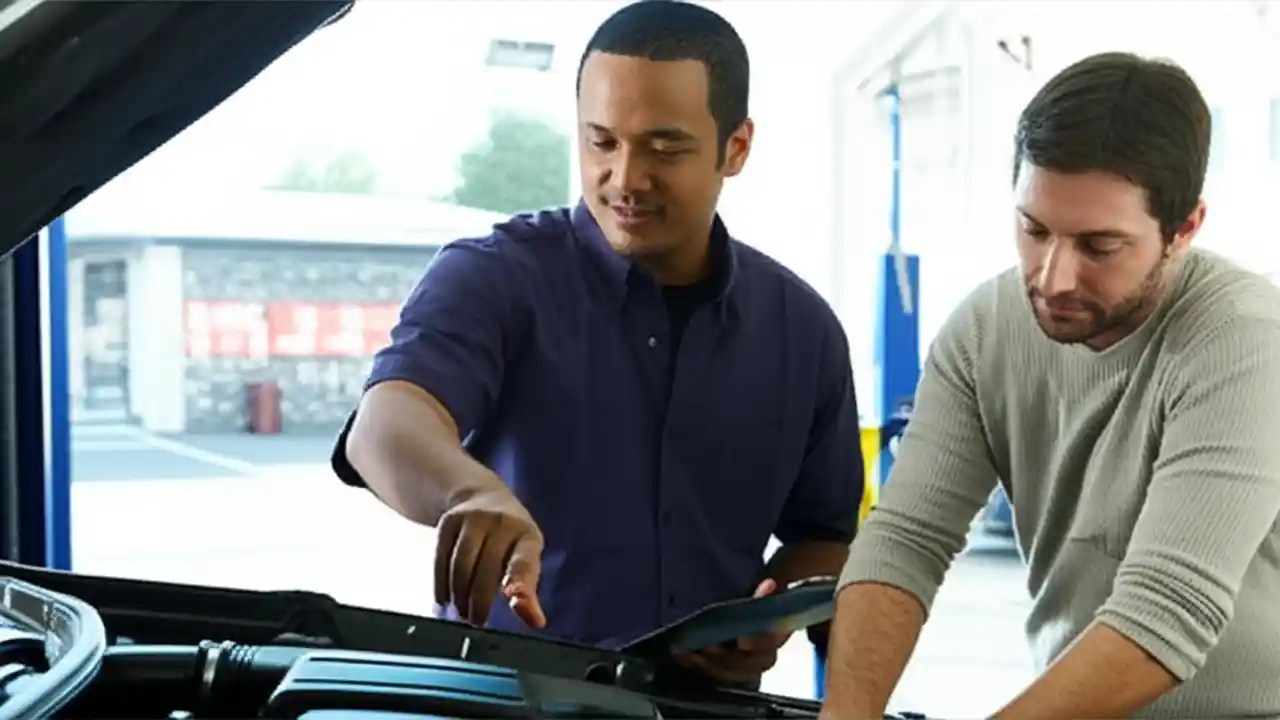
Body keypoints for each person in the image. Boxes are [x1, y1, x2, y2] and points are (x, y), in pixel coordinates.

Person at [332, 0, 863, 685]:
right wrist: (468, 494)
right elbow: (383, 427)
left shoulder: (804, 330)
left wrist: (772, 616)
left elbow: (823, 536)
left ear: (737, 147)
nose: (625, 178)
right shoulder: (494, 277)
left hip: (702, 708)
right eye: (601, 141)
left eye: (664, 148)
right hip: (501, 701)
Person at [822, 51, 1280, 719]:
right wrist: (847, 715)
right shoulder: (983, 330)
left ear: (1184, 229)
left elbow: (1169, 608)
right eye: (1034, 230)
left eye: (1099, 246)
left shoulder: (1246, 341)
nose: (1052, 277)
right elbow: (905, 541)